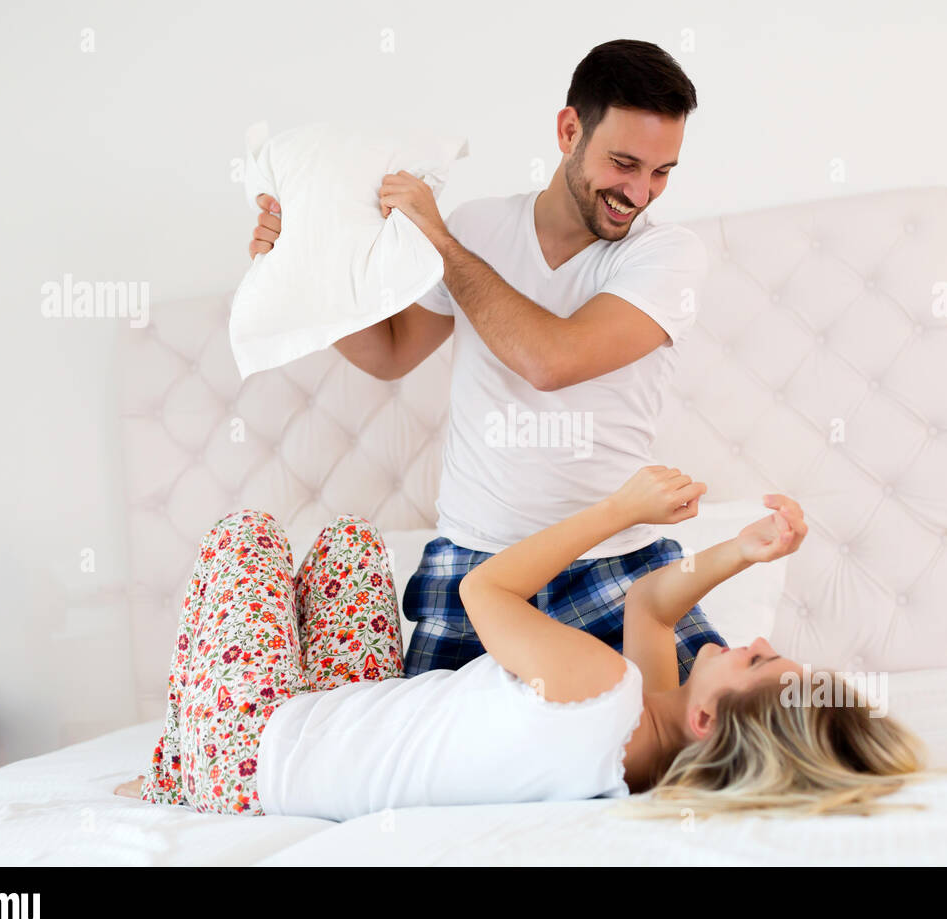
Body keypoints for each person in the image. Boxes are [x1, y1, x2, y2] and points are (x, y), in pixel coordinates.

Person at [247, 40, 725, 682]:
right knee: (433, 773)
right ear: (568, 130)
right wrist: (300, 274)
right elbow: (390, 354)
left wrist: (438, 241)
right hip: (474, 569)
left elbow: (550, 359)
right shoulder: (478, 228)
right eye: (624, 163)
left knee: (718, 743)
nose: (639, 192)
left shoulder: (666, 256)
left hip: (619, 564)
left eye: (662, 171)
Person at [116, 466, 930, 821]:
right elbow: (649, 609)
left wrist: (617, 512)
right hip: (331, 710)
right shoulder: (635, 750)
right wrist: (739, 553)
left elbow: (483, 591)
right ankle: (195, 743)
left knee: (248, 535)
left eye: (757, 660)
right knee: (346, 547)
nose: (751, 639)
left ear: (708, 722)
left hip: (259, 752)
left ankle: (178, 767)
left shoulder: (600, 690)